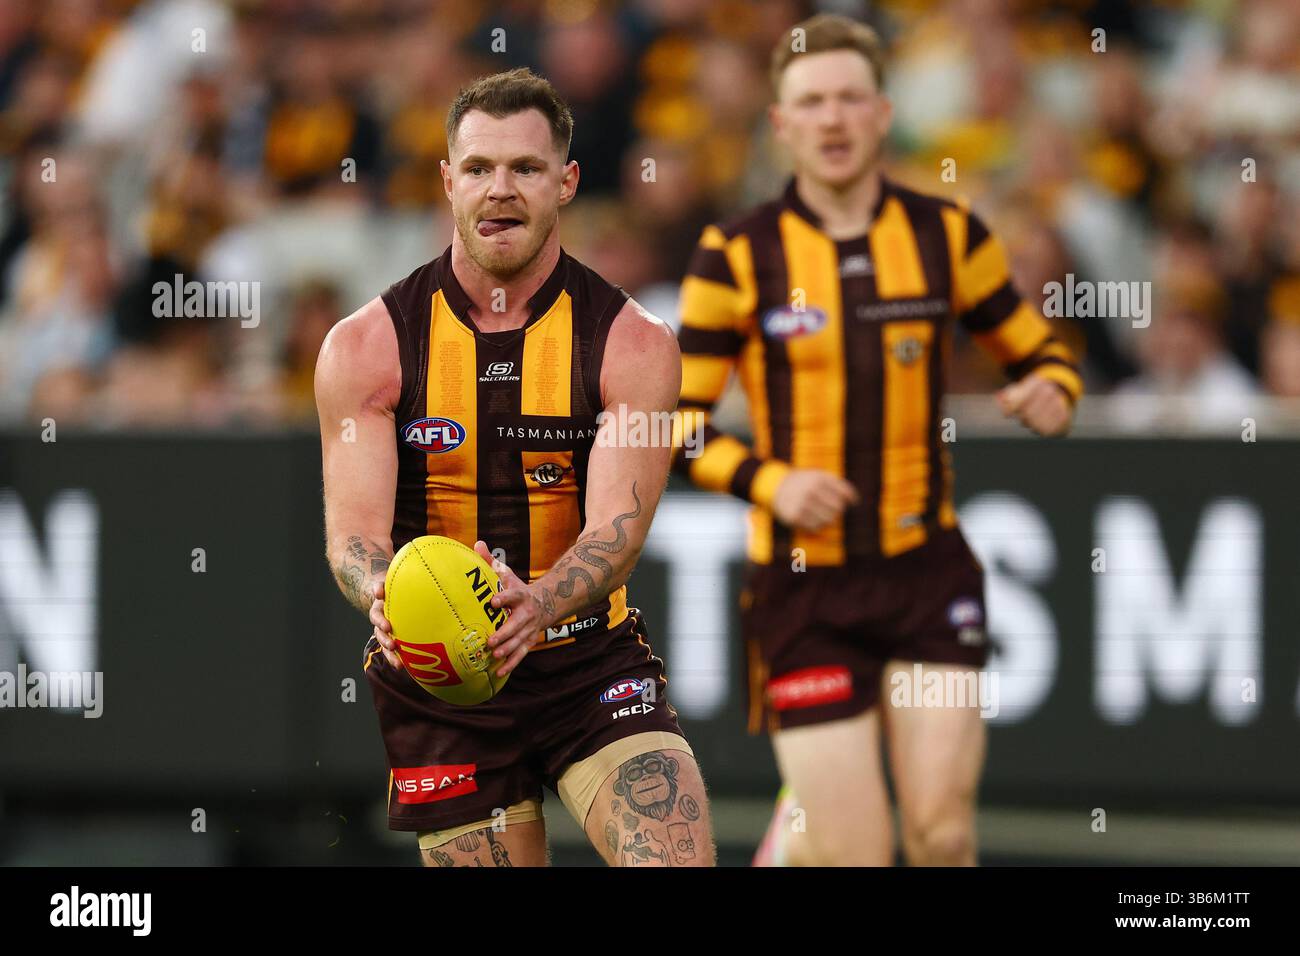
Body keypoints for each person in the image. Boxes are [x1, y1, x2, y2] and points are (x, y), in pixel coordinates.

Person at [674, 14, 1081, 866]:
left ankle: (808, 823)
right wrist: (767, 480)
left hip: (926, 575)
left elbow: (1038, 347)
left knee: (941, 835)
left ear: (884, 111)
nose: (832, 119)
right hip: (802, 594)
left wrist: (1055, 387)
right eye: (811, 103)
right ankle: (806, 829)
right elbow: (674, 425)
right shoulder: (736, 255)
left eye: (850, 98)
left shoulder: (947, 233)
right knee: (858, 855)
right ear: (780, 124)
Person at [316, 68, 714, 867]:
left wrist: (537, 602)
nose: (500, 190)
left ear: (565, 182)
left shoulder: (633, 344)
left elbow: (617, 530)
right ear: (447, 182)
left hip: (584, 658)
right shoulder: (366, 347)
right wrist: (382, 596)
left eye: (526, 169)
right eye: (479, 169)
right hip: (444, 682)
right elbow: (353, 539)